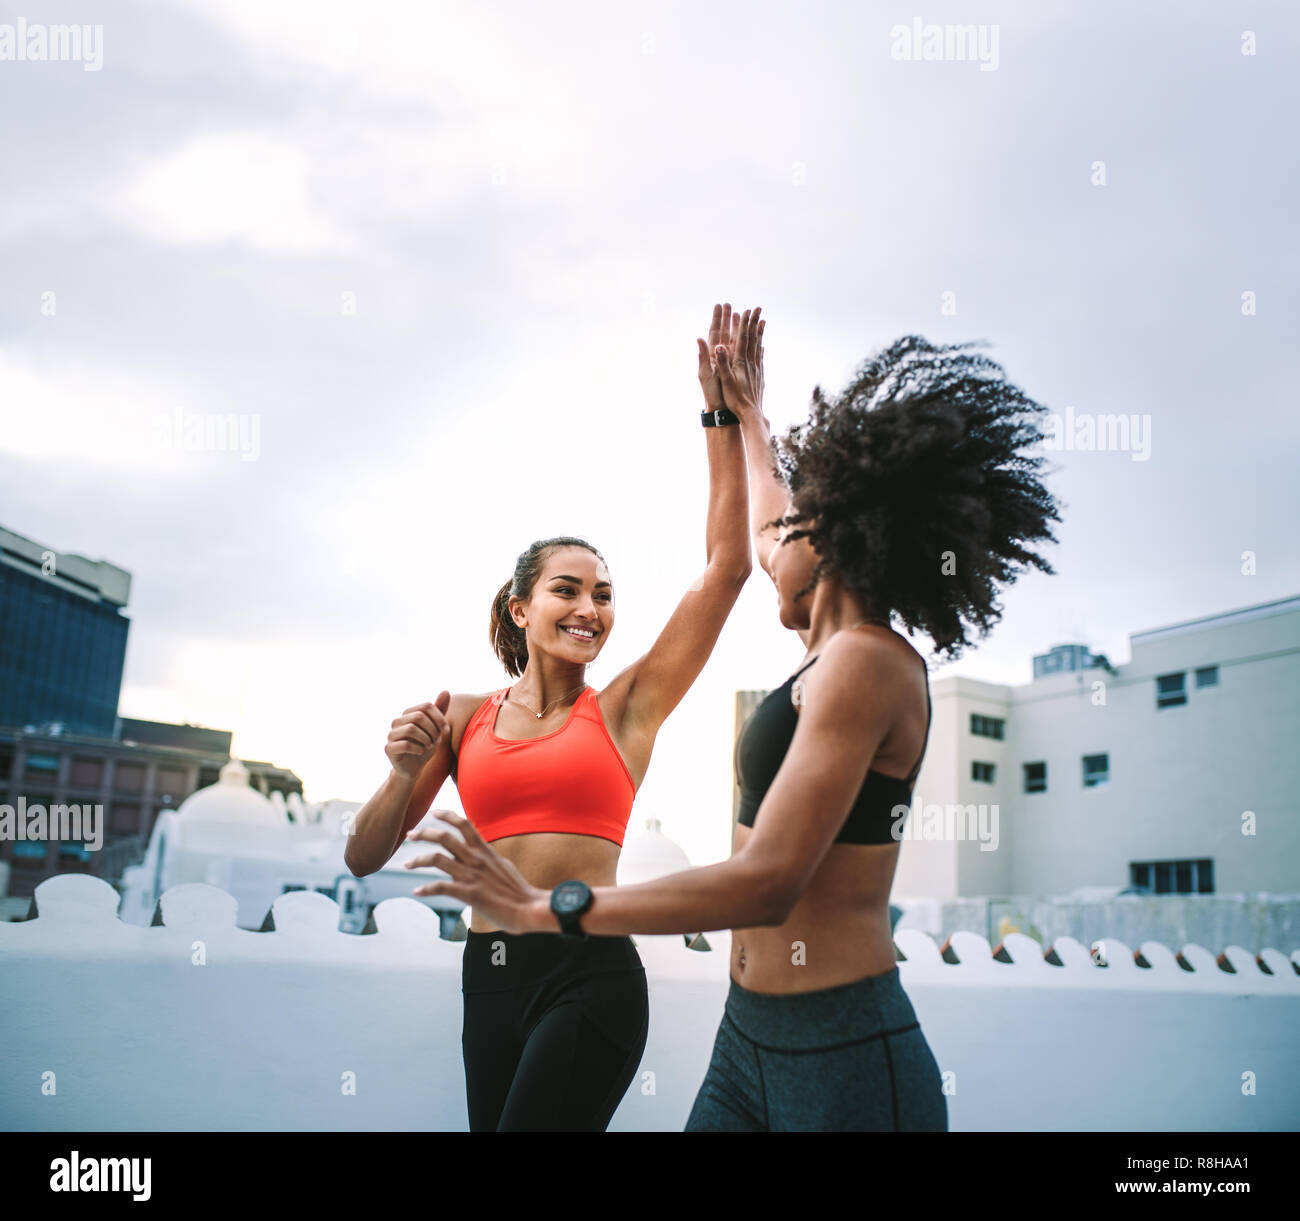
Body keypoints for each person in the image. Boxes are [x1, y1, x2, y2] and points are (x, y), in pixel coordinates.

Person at [404, 313, 1063, 1131]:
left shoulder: (867, 659)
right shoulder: (825, 648)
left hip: (842, 1048)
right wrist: (741, 413)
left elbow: (768, 881)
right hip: (745, 1036)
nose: (772, 535)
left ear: (829, 544)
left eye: (790, 528)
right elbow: (754, 527)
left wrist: (555, 908)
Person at [344, 304, 755, 1131]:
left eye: (604, 594)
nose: (591, 607)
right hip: (487, 973)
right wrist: (400, 774)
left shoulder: (628, 708)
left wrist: (723, 416)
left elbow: (727, 567)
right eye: (567, 589)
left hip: (589, 973)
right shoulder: (459, 717)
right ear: (521, 606)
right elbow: (361, 857)